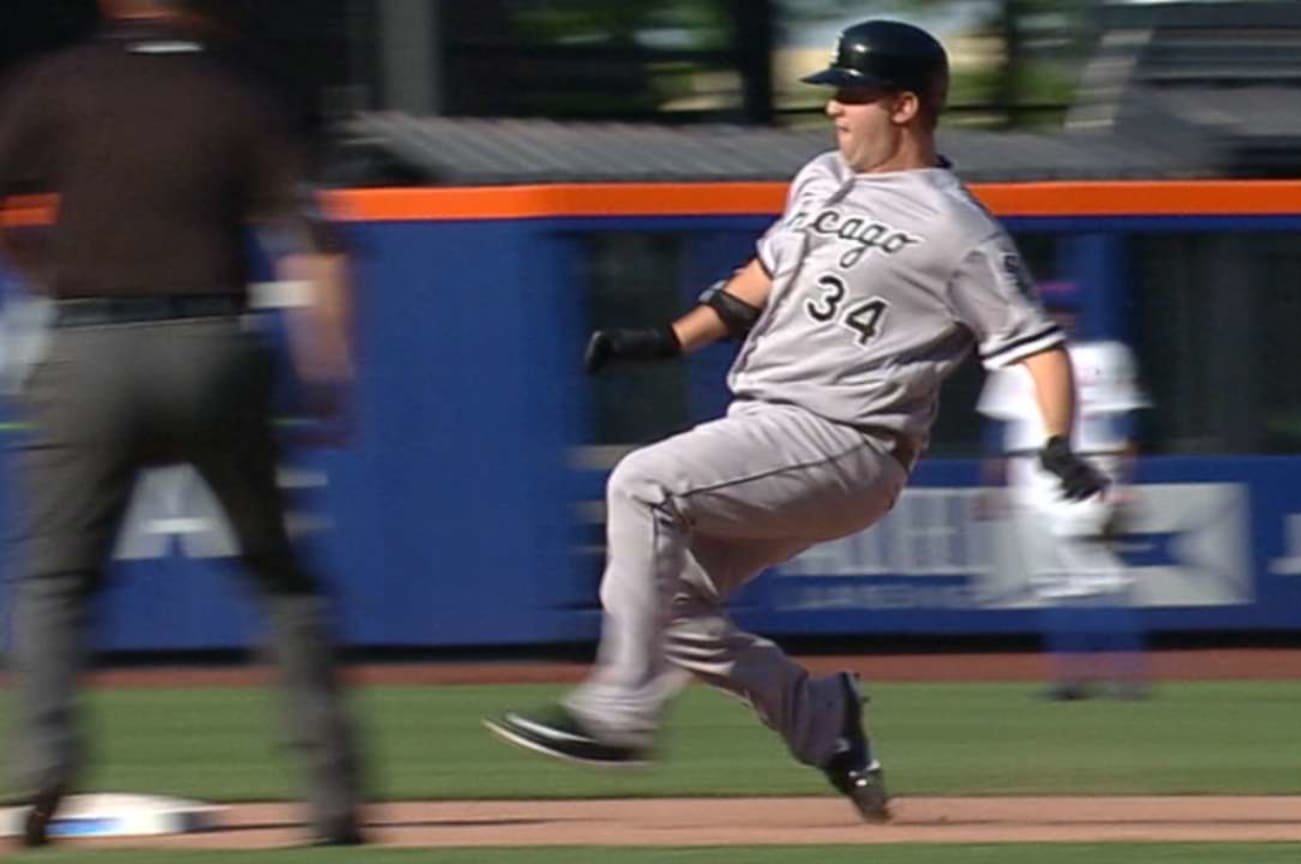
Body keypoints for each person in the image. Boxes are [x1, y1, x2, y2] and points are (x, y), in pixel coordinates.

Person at [484, 19, 1106, 823]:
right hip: (774, 427)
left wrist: (1058, 441)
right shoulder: (820, 178)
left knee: (641, 483)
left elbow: (1038, 345)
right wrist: (667, 339)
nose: (834, 110)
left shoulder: (960, 230)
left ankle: (620, 713)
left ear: (907, 105)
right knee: (661, 605)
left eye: (852, 94)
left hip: (849, 440)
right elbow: (759, 280)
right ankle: (821, 719)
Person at [0, 0, 364, 848]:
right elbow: (314, 238)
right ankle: (332, 793)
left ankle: (45, 765)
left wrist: (41, 268)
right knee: (278, 575)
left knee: (57, 583)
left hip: (90, 345)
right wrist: (330, 367)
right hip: (211, 344)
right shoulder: (237, 91)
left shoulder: (59, 80)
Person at [976, 282, 1150, 700]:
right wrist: (991, 485)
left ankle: (1127, 677)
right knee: (1053, 581)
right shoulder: (1012, 359)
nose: (1056, 316)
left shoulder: (1104, 357)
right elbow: (1000, 427)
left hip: (1088, 467)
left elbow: (1123, 423)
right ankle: (1069, 679)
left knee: (1102, 577)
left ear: (1076, 316)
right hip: (1027, 471)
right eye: (1049, 309)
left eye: (1063, 310)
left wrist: (1125, 483)